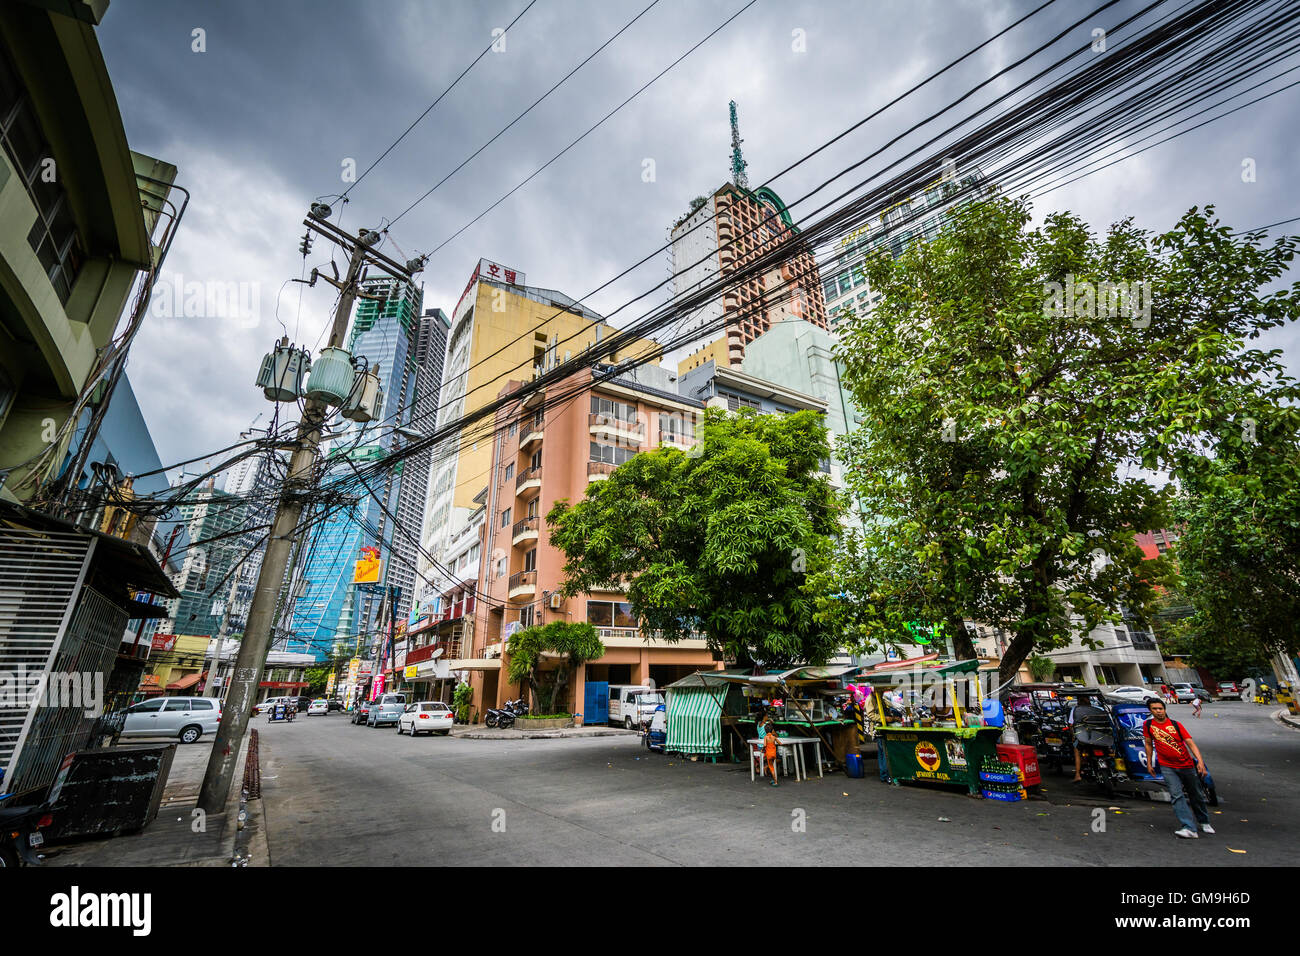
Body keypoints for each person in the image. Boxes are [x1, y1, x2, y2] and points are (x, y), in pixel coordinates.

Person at [1143, 698, 1213, 839]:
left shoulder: (1176, 725)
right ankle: (1188, 827)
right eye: (1155, 709)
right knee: (1176, 795)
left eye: (1160, 708)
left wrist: (1200, 762)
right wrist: (1149, 763)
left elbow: (1191, 744)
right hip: (1167, 766)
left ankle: (1204, 821)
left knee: (1196, 794)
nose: (1158, 711)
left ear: (1165, 709)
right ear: (1150, 711)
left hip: (1186, 765)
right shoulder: (1148, 725)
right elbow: (1149, 744)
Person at [1068, 698, 1108, 782]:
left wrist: (1073, 736)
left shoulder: (1075, 710)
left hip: (1083, 737)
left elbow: (1071, 724)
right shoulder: (1097, 709)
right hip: (1099, 737)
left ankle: (1077, 775)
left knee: (1076, 751)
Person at [763, 722, 781, 787]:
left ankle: (776, 782)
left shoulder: (766, 737)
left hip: (769, 754)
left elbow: (765, 745)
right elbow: (780, 743)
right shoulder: (774, 737)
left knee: (771, 768)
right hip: (774, 754)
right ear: (772, 730)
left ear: (765, 731)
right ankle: (773, 779)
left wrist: (762, 749)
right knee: (772, 766)